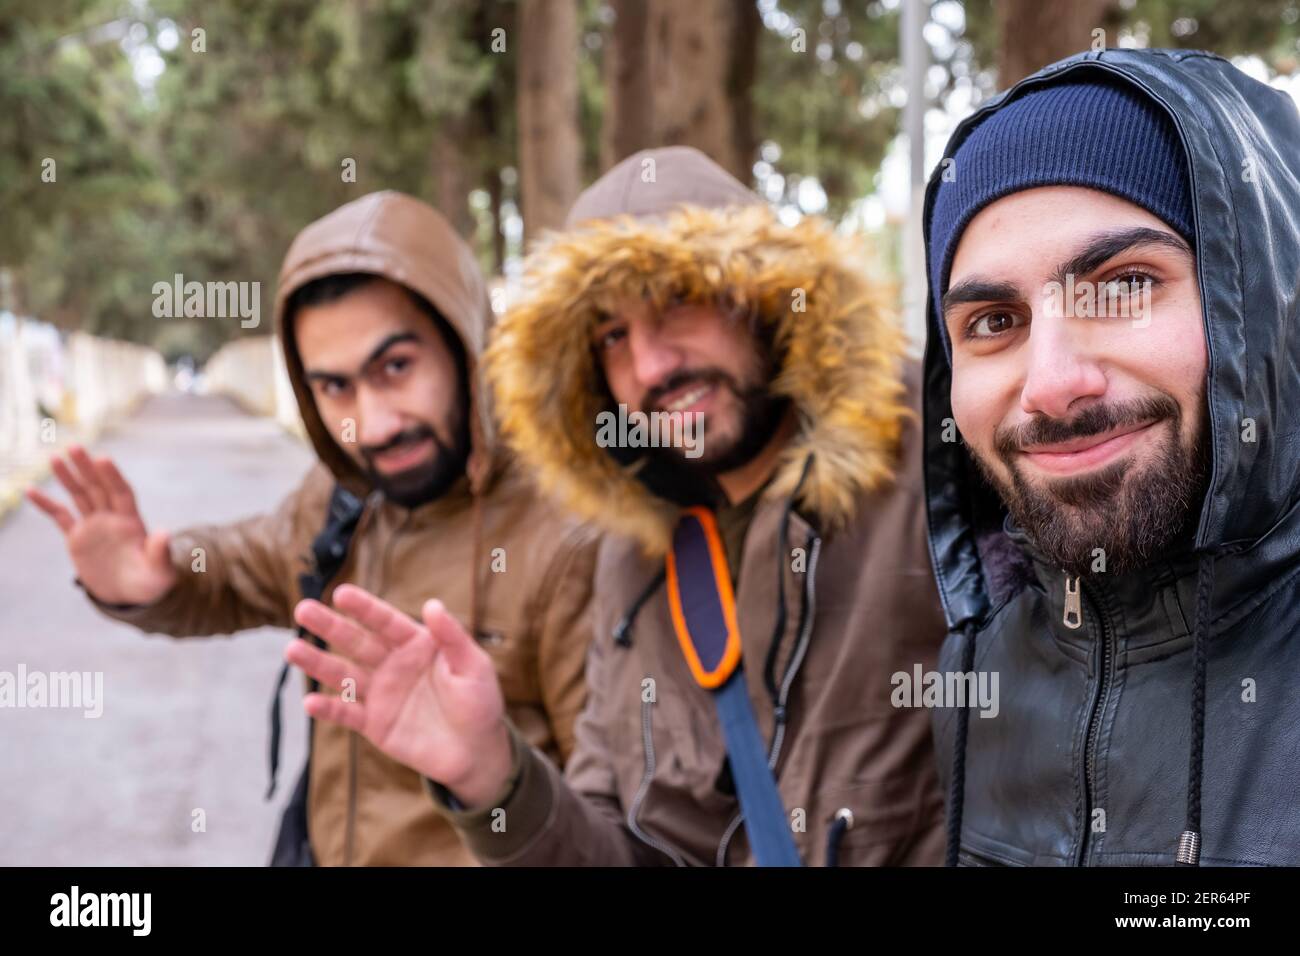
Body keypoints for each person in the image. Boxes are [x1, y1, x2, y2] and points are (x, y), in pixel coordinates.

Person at [287, 147, 949, 866]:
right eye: (611, 335)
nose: (653, 367)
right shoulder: (631, 559)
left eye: (679, 300)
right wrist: (492, 779)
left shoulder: (938, 455)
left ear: (766, 290)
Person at [28, 190, 598, 866]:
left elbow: (613, 837)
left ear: (466, 343)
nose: (375, 422)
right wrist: (157, 576)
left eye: (396, 368)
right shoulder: (344, 495)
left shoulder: (571, 535)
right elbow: (244, 568)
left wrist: (495, 785)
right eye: (334, 387)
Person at [923, 49, 1300, 866]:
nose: (1053, 386)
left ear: (1270, 300)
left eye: (1123, 286)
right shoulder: (977, 670)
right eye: (993, 321)